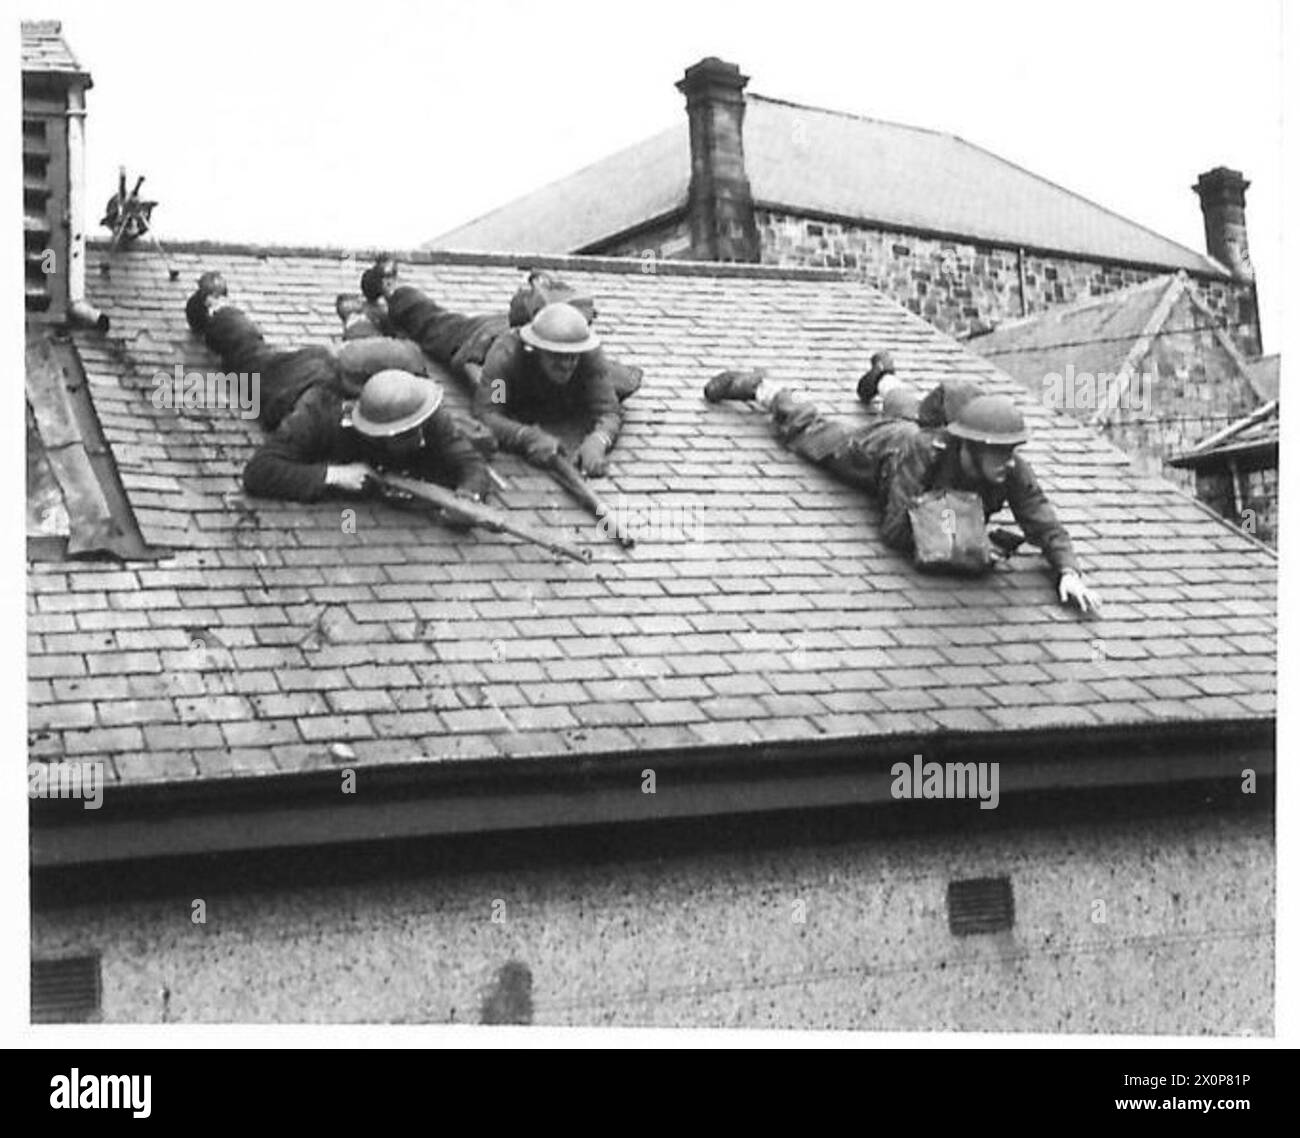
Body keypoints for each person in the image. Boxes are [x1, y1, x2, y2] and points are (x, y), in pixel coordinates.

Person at [704, 363, 1102, 613]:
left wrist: (1068, 570)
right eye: (1000, 453)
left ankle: (885, 376)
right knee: (814, 434)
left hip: (920, 436)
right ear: (972, 447)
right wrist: (971, 542)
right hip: (880, 456)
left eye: (1012, 451)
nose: (1010, 462)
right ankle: (767, 388)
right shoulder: (922, 452)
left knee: (907, 407)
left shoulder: (1009, 466)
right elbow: (896, 528)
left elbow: (1043, 520)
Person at [184, 277, 424, 428]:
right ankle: (216, 307)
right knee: (255, 362)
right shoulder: (320, 398)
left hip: (327, 366)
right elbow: (267, 466)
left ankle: (355, 319)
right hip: (311, 374)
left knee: (257, 360)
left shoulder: (407, 371)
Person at [243, 368, 493, 506]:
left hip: (343, 372)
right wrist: (334, 475)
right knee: (247, 356)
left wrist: (468, 498)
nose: (422, 441)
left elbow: (470, 461)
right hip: (285, 380)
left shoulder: (420, 412)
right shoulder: (317, 415)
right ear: (378, 434)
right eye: (405, 436)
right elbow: (259, 471)